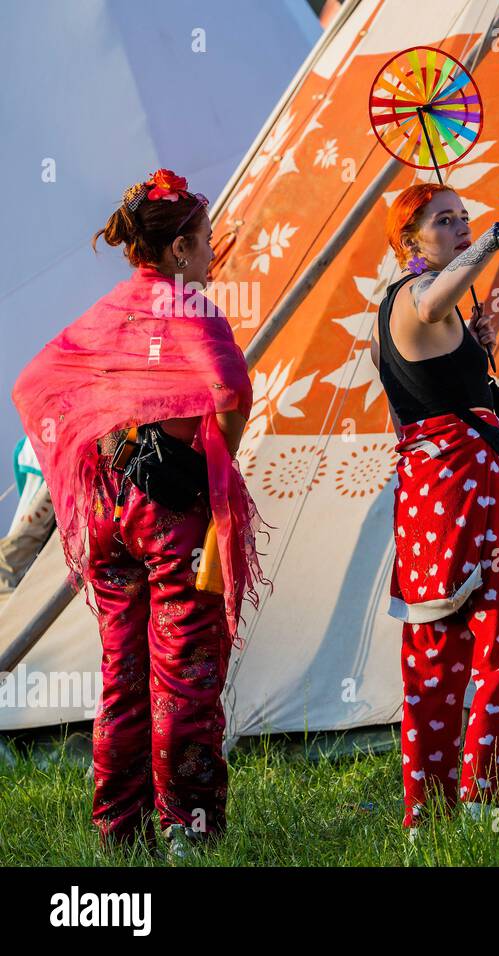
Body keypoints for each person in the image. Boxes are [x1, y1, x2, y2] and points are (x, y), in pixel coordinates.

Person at [11, 169, 267, 854]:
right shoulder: (189, 308)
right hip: (168, 513)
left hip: (106, 510)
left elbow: (36, 383)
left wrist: (99, 433)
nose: (215, 254)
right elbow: (231, 388)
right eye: (206, 241)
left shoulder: (111, 309)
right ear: (180, 250)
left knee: (122, 672)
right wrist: (213, 460)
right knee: (183, 666)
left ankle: (119, 830)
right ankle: (190, 826)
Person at [369, 183, 499, 827]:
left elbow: (424, 388)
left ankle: (426, 813)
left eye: (464, 218)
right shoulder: (413, 297)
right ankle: (485, 803)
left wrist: (475, 354)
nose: (458, 227)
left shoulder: (409, 312)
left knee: (435, 647)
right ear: (409, 241)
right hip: (468, 480)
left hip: (425, 491)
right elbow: (429, 301)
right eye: (442, 221)